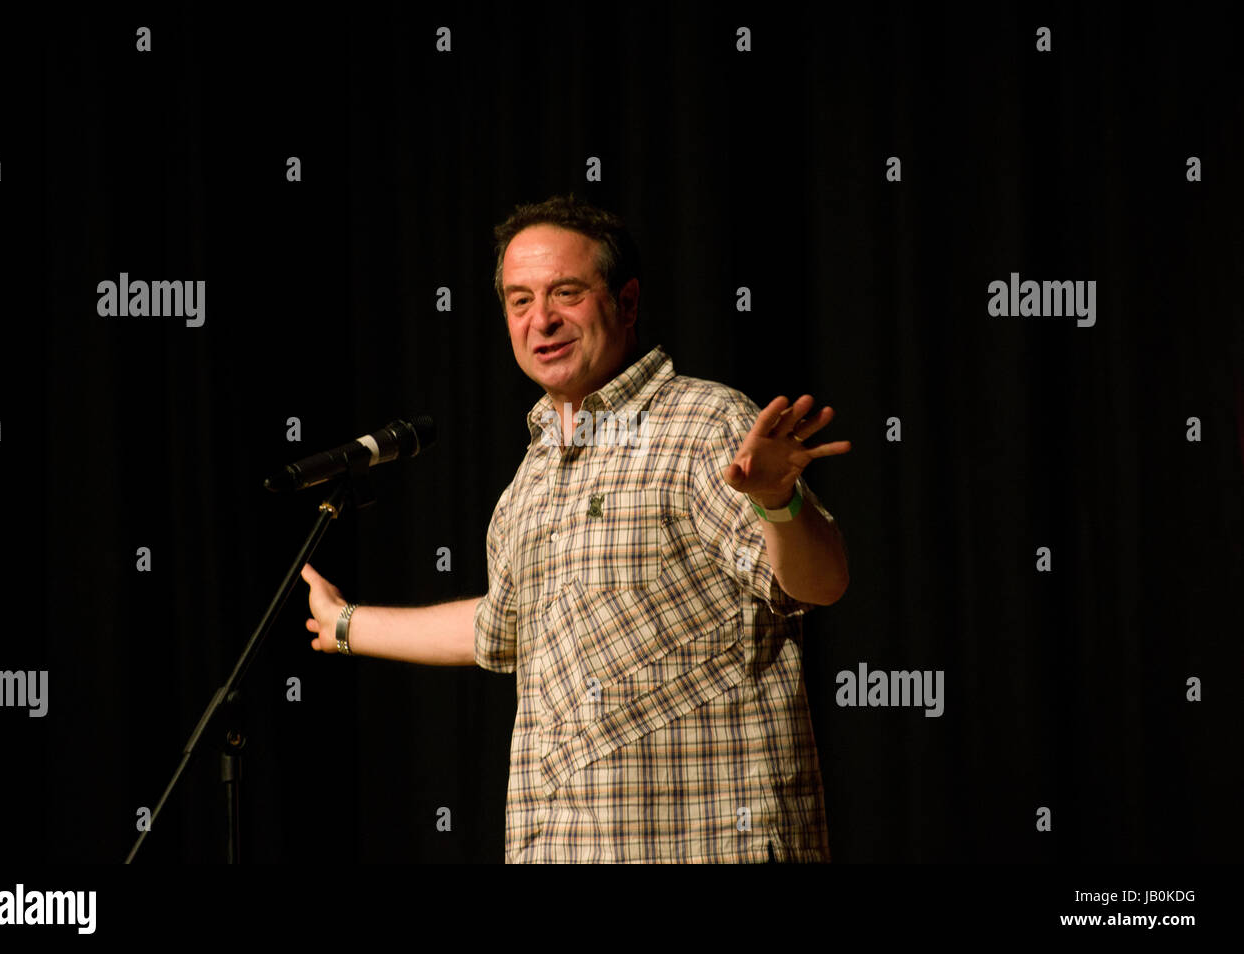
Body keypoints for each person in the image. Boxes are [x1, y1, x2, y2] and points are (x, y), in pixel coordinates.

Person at [301, 195, 851, 862]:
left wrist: (776, 503)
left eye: (566, 292)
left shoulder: (702, 423)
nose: (543, 320)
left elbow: (818, 585)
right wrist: (345, 624)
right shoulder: (531, 476)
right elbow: (498, 631)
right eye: (520, 300)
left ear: (625, 303)